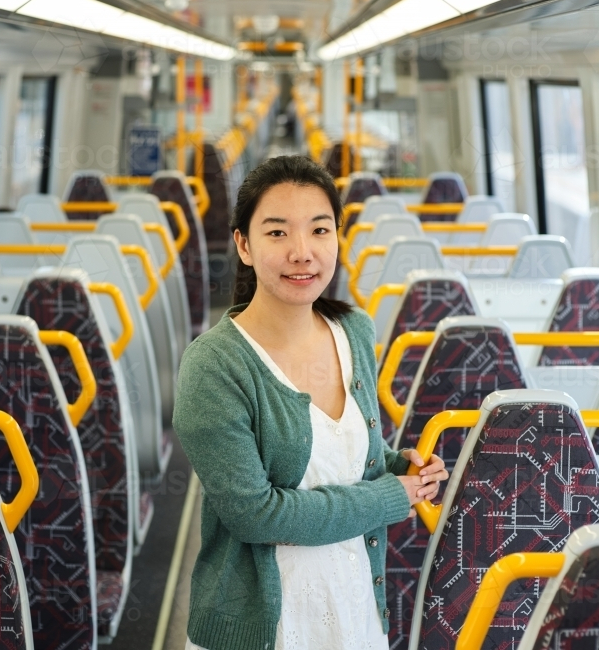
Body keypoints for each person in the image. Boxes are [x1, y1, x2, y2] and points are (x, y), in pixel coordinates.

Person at [174, 155, 449, 650]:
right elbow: (256, 516)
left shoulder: (356, 332)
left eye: (320, 230)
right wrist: (391, 496)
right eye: (277, 234)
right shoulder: (214, 366)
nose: (303, 252)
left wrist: (402, 467)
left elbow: (349, 458)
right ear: (244, 245)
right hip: (264, 627)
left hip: (357, 606)